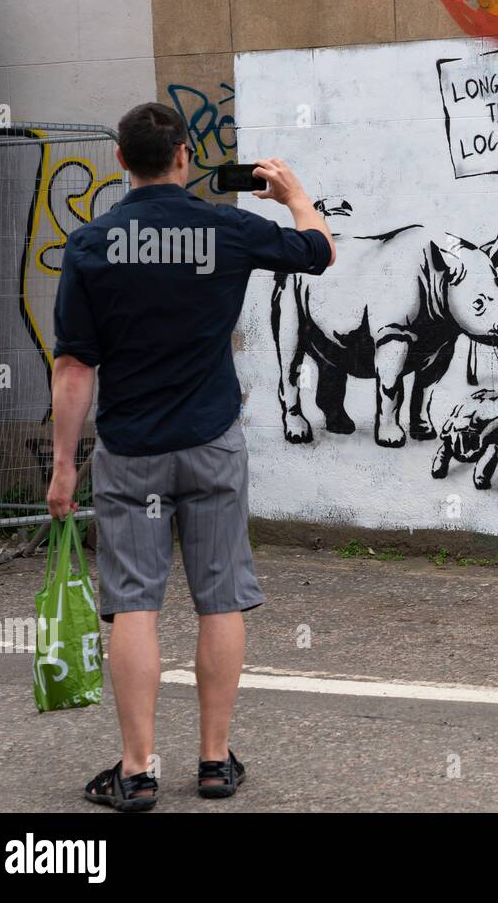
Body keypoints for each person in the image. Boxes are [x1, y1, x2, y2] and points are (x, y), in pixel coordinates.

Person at [46, 102, 336, 811]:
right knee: (222, 596)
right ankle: (213, 762)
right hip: (210, 441)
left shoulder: (91, 245)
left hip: (132, 450)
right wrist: (295, 198)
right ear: (183, 156)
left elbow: (75, 368)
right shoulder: (226, 229)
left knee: (135, 603)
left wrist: (63, 466)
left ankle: (138, 769)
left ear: (120, 160)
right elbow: (318, 252)